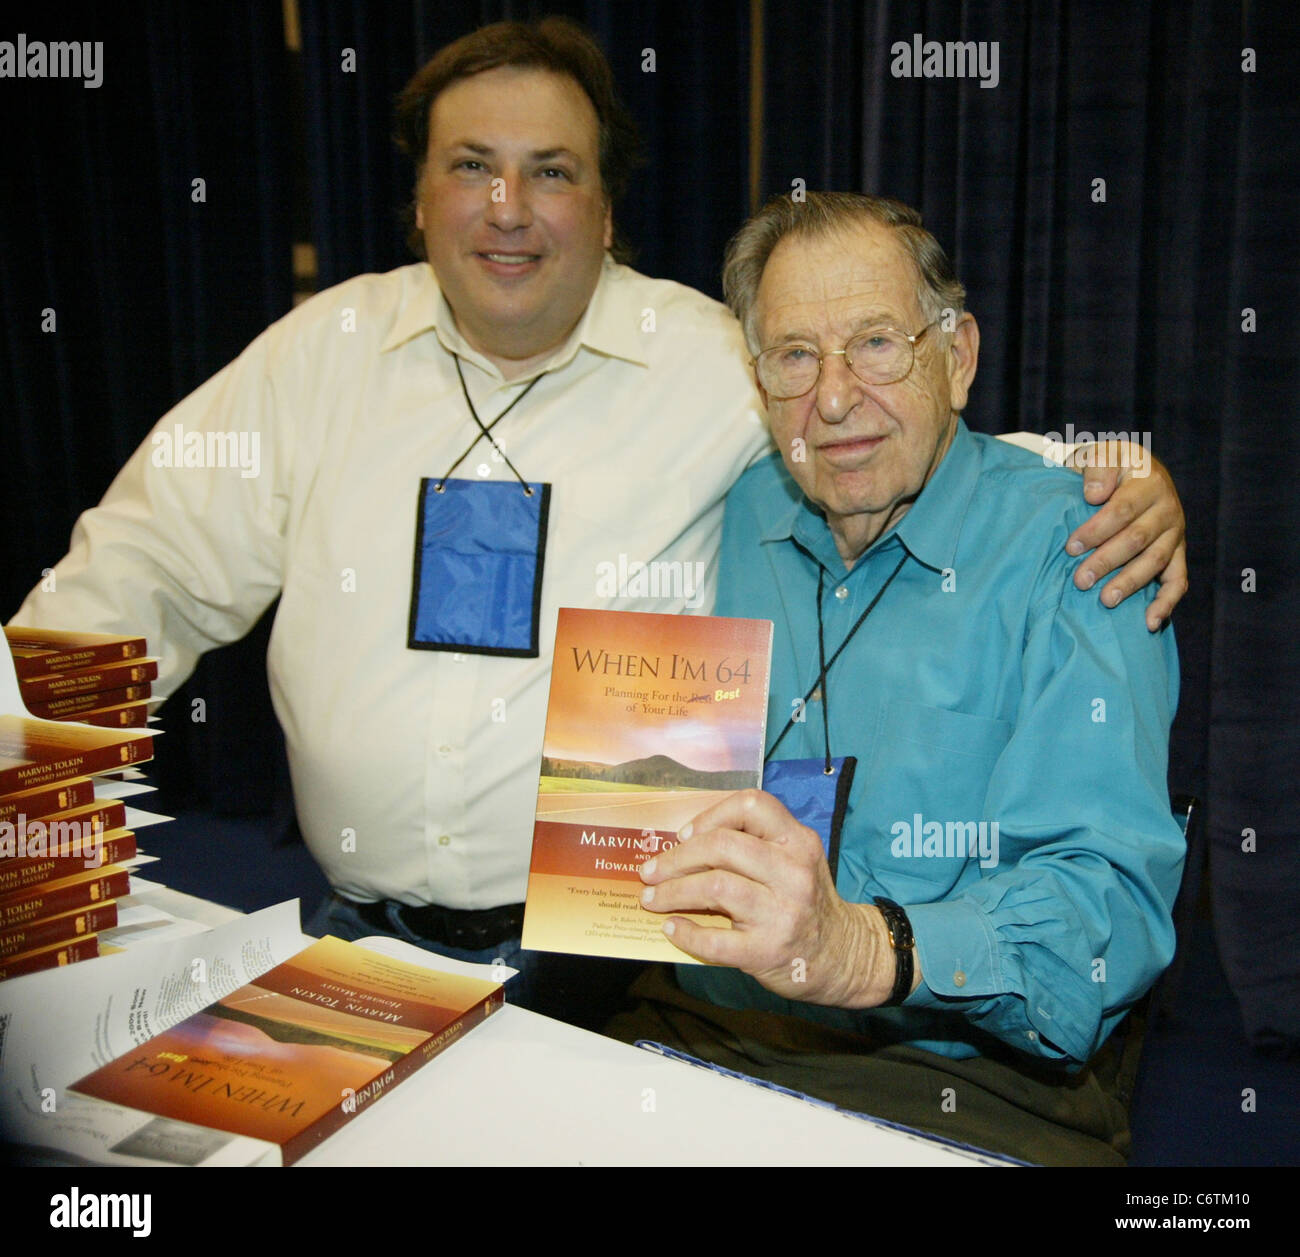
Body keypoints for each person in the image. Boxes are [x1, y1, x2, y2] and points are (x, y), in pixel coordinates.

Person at [11, 20, 1185, 1017]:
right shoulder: (321, 355)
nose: (509, 208)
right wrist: (29, 821)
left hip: (606, 960)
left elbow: (877, 417)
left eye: (554, 171)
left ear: (608, 209)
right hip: (348, 926)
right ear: (418, 200)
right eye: (471, 166)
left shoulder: (707, 361)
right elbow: (141, 574)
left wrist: (1107, 475)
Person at [619, 191, 1185, 1165]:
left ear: (956, 358)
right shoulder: (730, 510)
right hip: (703, 1028)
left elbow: (1105, 913)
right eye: (794, 357)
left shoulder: (1083, 549)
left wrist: (860, 950)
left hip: (957, 1074)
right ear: (758, 386)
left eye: (875, 343)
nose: (832, 398)